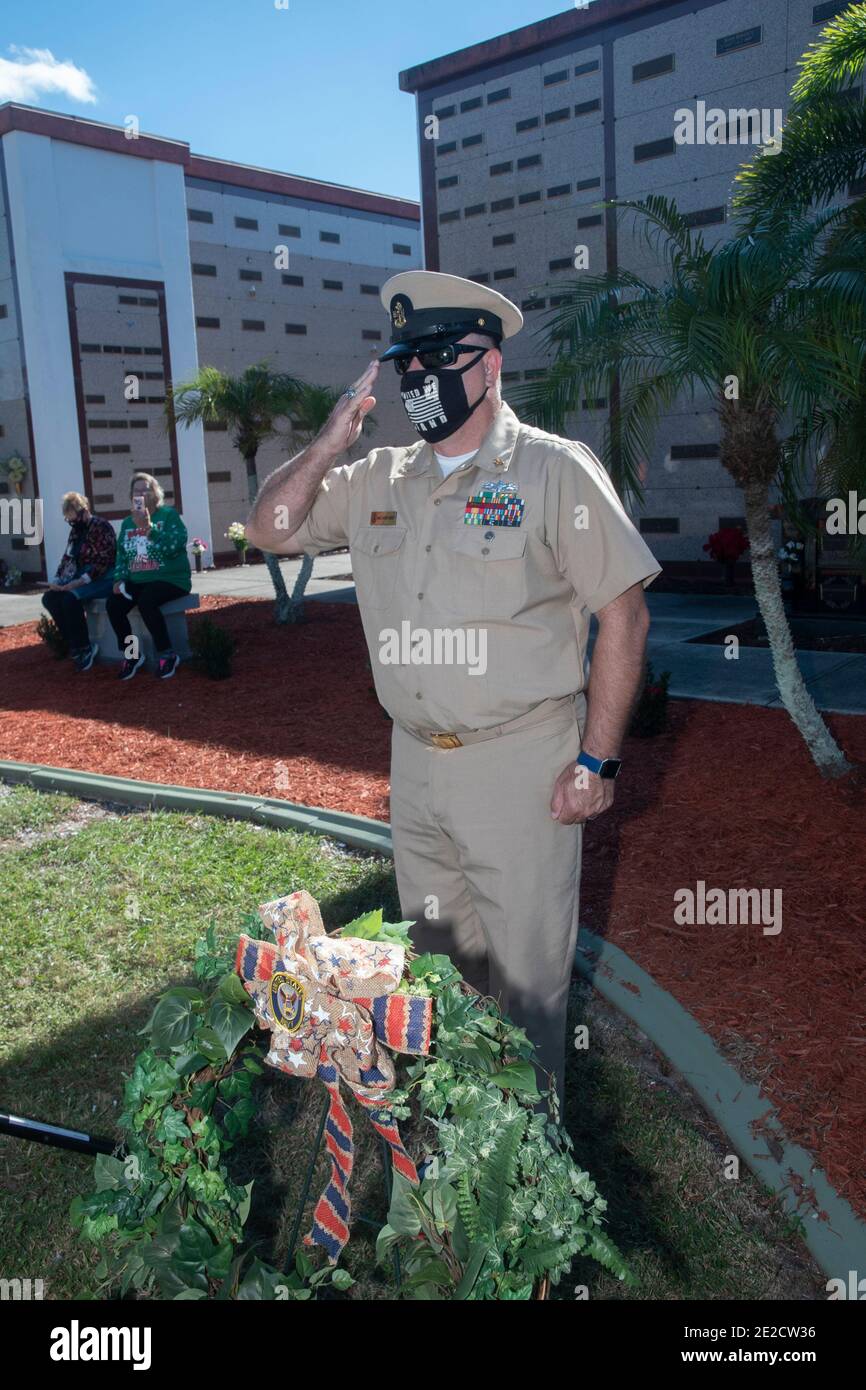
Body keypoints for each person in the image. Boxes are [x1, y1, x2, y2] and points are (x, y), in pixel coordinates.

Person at [245, 270, 661, 1115]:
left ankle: (530, 1188)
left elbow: (625, 616)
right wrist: (329, 443)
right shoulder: (378, 481)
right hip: (418, 772)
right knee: (436, 976)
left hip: (522, 770)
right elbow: (269, 529)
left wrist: (597, 762)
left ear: (490, 365)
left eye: (441, 357)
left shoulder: (551, 472)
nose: (421, 380)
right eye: (408, 362)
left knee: (528, 988)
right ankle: (460, 1151)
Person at [107, 472, 191, 680]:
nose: (142, 494)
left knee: (147, 601)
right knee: (114, 605)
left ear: (156, 492)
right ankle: (132, 655)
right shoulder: (127, 523)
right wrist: (119, 579)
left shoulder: (168, 515)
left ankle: (167, 654)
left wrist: (148, 528)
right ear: (131, 495)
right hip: (139, 581)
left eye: (147, 489)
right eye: (138, 490)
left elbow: (175, 546)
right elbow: (122, 556)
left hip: (171, 579)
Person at [41, 492, 117, 672]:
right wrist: (58, 580)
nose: (73, 523)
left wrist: (78, 583)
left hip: (103, 578)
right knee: (50, 598)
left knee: (70, 599)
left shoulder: (102, 527)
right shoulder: (76, 531)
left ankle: (85, 647)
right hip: (82, 578)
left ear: (85, 510)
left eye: (74, 519)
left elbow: (105, 561)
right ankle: (74, 645)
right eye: (69, 520)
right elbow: (68, 557)